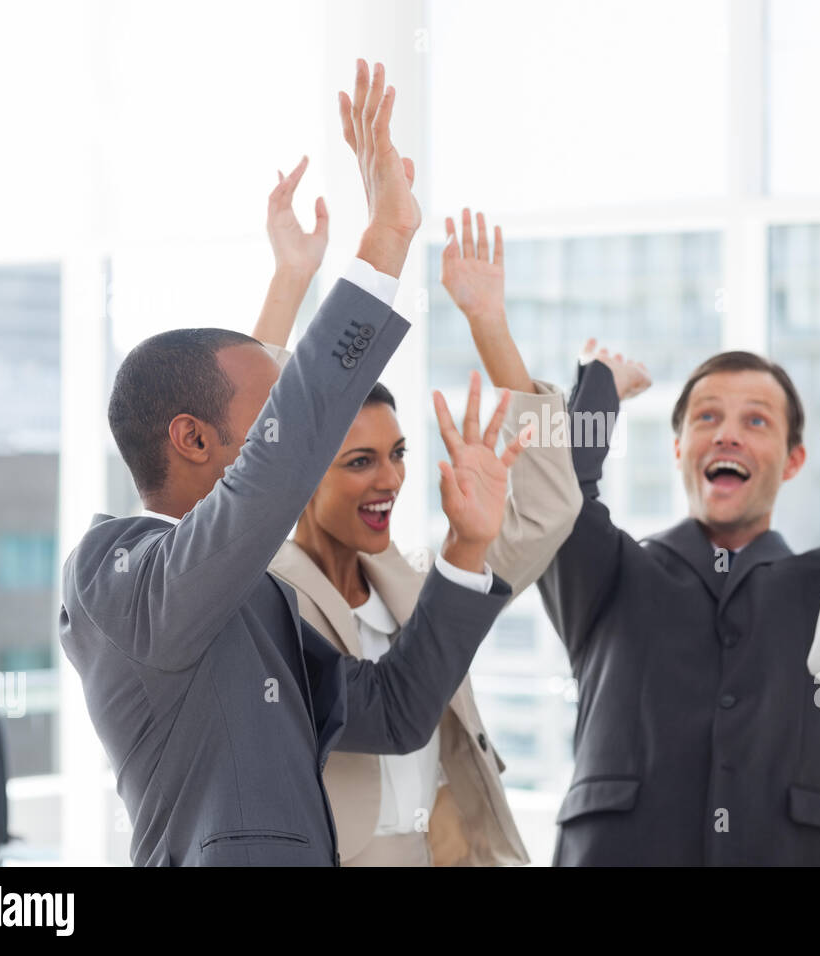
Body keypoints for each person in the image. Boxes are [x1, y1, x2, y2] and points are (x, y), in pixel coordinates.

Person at [59, 60, 525, 866]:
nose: (301, 438)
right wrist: (382, 243)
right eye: (273, 417)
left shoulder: (260, 600)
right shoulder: (111, 573)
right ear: (193, 440)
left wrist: (468, 549)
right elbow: (266, 482)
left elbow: (399, 710)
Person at [251, 167, 585, 864]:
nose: (392, 479)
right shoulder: (261, 593)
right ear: (300, 475)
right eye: (360, 461)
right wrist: (289, 282)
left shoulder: (422, 581)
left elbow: (551, 507)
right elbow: (246, 446)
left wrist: (489, 326)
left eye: (397, 453)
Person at [534, 287, 820, 863]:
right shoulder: (611, 574)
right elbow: (560, 498)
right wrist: (601, 386)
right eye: (708, 417)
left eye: (756, 421)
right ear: (679, 448)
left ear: (794, 460)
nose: (727, 434)